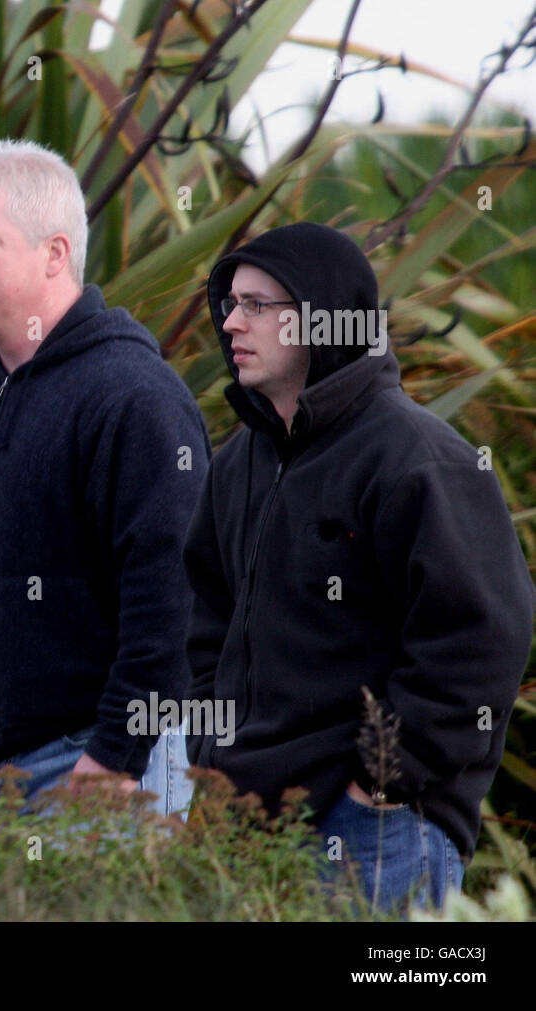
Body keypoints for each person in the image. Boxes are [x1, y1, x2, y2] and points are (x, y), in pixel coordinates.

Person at [184, 221, 535, 910]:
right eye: (230, 302)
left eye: (258, 304)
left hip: (380, 829)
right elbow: (202, 626)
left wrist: (381, 782)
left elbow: (481, 640)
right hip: (246, 832)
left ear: (324, 314)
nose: (232, 321)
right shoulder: (235, 467)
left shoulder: (416, 457)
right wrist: (206, 753)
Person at [0, 140, 209, 823]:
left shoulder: (135, 401)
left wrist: (115, 756)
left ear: (55, 254)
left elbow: (170, 598)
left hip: (93, 770)